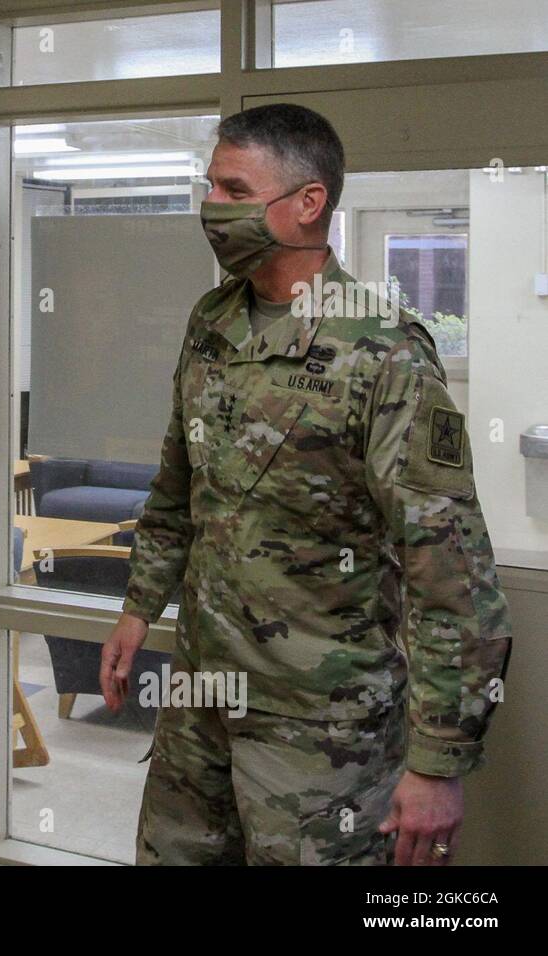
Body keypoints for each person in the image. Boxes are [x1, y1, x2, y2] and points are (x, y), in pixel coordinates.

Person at [101, 104, 512, 866]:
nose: (211, 209)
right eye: (210, 187)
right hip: (201, 701)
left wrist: (438, 762)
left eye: (232, 189)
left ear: (308, 202)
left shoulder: (382, 352)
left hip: (322, 728)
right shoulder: (212, 322)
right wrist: (136, 610)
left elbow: (450, 568)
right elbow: (176, 491)